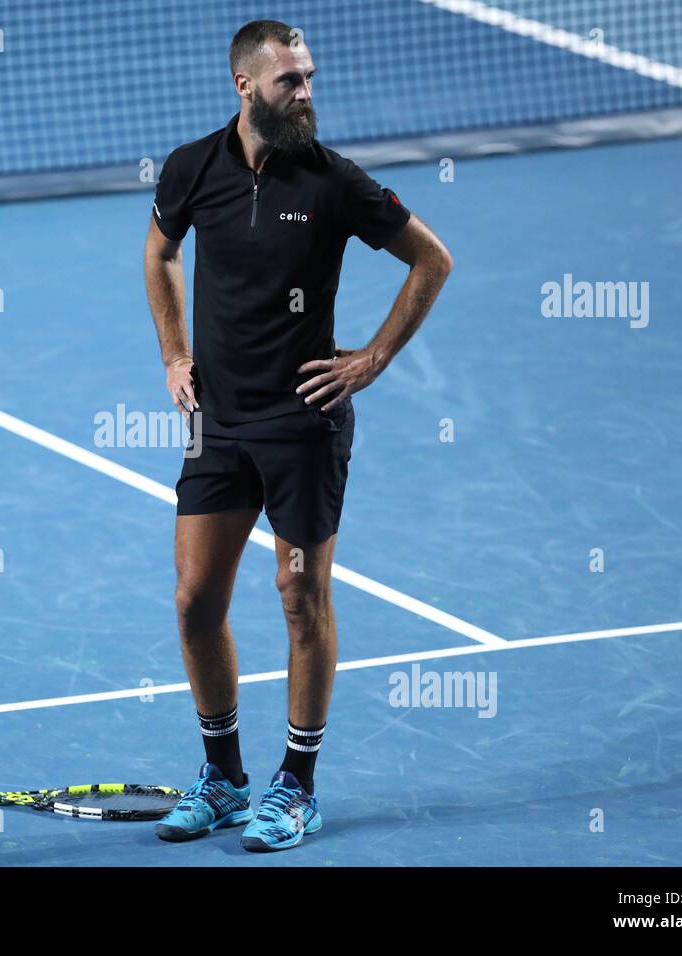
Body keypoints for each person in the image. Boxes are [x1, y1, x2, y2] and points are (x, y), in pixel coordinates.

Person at [142, 19, 453, 852]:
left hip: (302, 427)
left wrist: (372, 359)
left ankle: (297, 786)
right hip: (219, 423)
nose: (307, 93)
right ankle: (224, 777)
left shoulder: (334, 181)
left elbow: (432, 259)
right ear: (245, 87)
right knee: (195, 599)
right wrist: (175, 353)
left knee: (299, 597)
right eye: (291, 82)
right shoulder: (191, 169)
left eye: (310, 77)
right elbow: (160, 251)